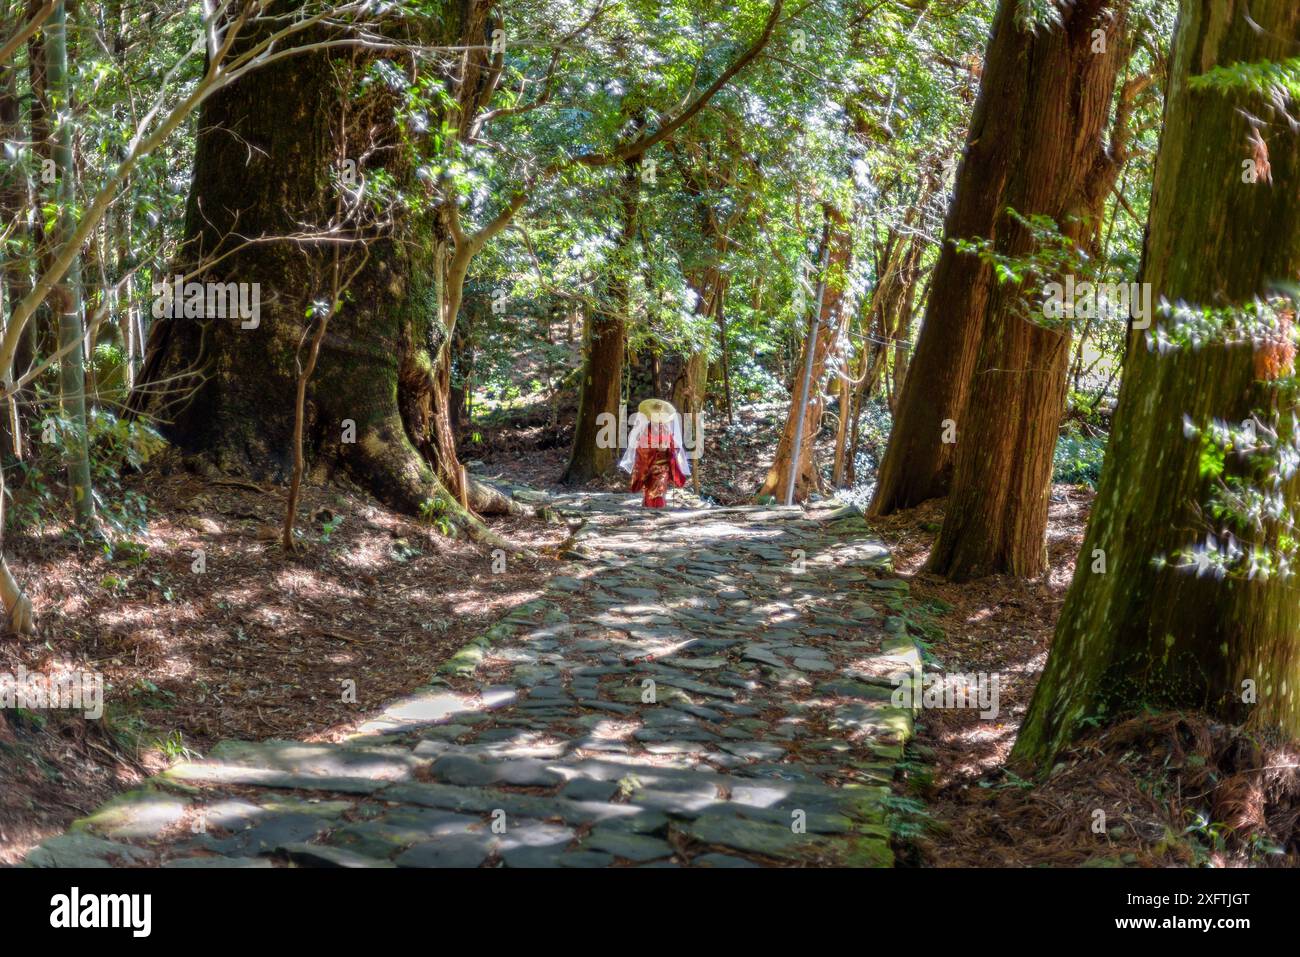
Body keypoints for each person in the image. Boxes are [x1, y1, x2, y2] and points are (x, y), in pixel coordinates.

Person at [619, 398, 690, 508]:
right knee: (649, 490)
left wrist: (668, 448)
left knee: (660, 488)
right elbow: (641, 448)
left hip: (663, 468)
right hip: (650, 467)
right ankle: (650, 508)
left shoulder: (666, 429)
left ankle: (658, 510)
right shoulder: (646, 431)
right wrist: (655, 449)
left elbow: (674, 446)